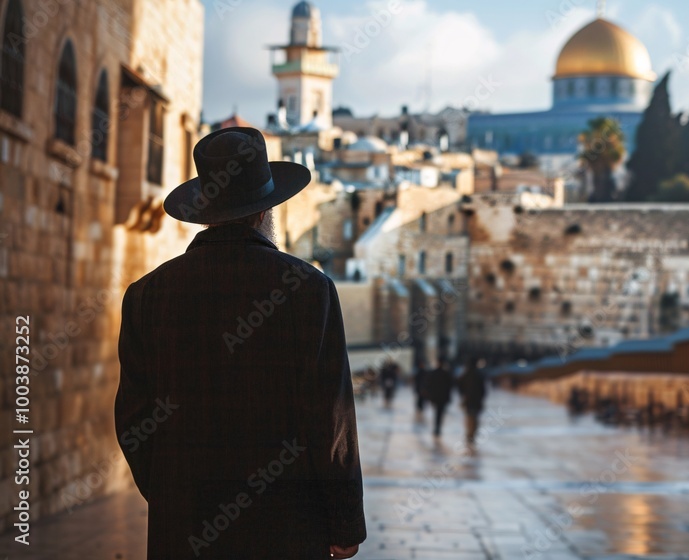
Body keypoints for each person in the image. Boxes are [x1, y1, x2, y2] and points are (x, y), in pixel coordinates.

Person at [115, 127, 365, 560]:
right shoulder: (308, 289)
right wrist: (344, 522)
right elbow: (332, 417)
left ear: (206, 212)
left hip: (186, 528)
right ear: (264, 213)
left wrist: (173, 494)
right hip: (287, 529)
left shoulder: (146, 295)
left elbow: (134, 419)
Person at [456, 358, 488, 445]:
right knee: (475, 418)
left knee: (469, 417)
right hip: (476, 401)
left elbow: (459, 386)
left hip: (468, 400)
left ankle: (469, 433)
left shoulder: (465, 375)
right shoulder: (479, 375)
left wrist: (463, 395)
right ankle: (472, 434)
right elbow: (483, 390)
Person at [424, 358, 454, 437]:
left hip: (435, 397)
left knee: (437, 412)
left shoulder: (433, 373)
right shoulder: (446, 374)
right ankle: (437, 427)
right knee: (439, 413)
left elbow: (428, 385)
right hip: (442, 397)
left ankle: (436, 427)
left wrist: (429, 395)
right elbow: (450, 387)